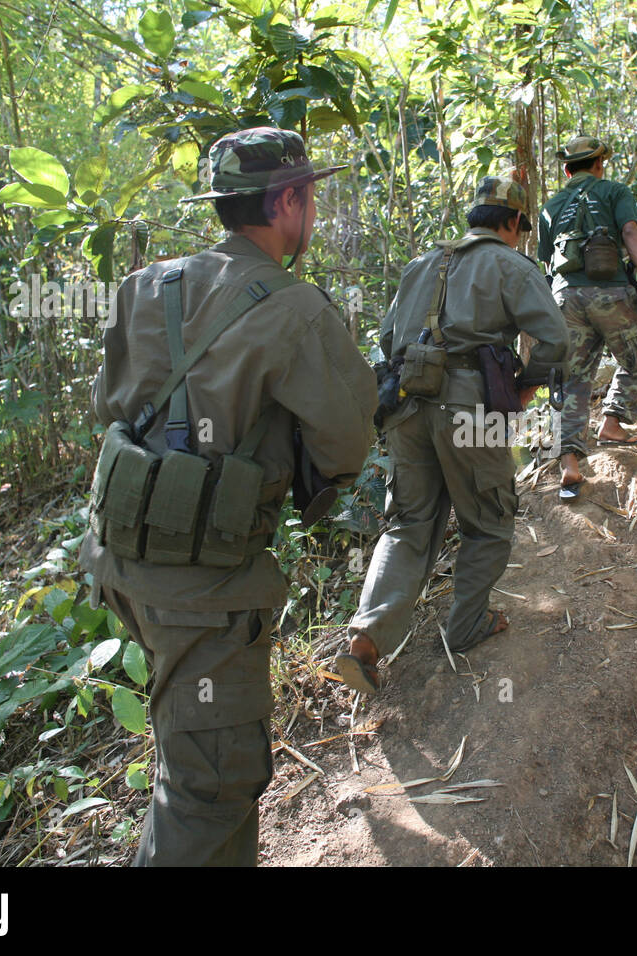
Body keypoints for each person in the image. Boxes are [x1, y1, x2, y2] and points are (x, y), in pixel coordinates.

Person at [79, 127, 377, 865]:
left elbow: (107, 404)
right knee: (211, 787)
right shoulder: (297, 308)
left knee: (189, 761)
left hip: (117, 559)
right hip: (201, 588)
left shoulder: (144, 286)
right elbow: (348, 442)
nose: (312, 214)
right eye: (308, 197)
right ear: (286, 201)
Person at [334, 177, 569, 694]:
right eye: (519, 227)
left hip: (406, 406)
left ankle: (366, 638)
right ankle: (466, 625)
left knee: (409, 523)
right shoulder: (511, 264)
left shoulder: (421, 264)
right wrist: (527, 384)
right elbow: (555, 337)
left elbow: (387, 338)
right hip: (470, 408)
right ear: (511, 224)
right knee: (488, 519)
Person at [537, 135, 637, 501]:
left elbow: (547, 261)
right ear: (600, 164)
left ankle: (570, 461)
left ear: (566, 169)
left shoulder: (552, 205)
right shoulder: (615, 192)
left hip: (565, 297)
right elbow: (629, 231)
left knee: (571, 378)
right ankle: (612, 424)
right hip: (611, 294)